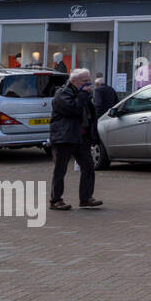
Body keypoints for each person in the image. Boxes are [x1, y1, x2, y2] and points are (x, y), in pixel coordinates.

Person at [48, 68, 101, 211]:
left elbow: (90, 114)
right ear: (74, 81)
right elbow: (73, 109)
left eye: (89, 80)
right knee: (60, 169)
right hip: (64, 137)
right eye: (85, 81)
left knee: (88, 167)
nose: (88, 83)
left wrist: (93, 134)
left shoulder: (83, 94)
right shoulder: (62, 93)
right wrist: (84, 95)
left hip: (82, 137)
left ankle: (86, 198)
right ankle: (56, 200)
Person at [91, 73, 119, 146]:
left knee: (98, 134)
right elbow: (117, 102)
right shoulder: (111, 89)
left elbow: (98, 104)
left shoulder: (98, 90)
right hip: (110, 115)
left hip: (101, 115)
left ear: (97, 84)